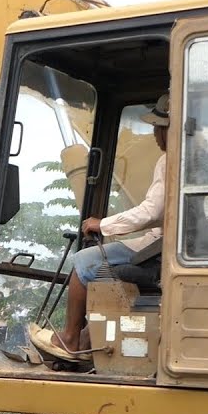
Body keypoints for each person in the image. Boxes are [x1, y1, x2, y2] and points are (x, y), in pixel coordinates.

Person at [31, 93, 170, 360]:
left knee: (83, 263)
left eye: (157, 126)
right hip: (166, 245)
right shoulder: (198, 159)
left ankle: (71, 339)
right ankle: (86, 338)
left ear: (169, 129)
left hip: (160, 248)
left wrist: (102, 224)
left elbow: (151, 212)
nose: (154, 133)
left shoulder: (171, 161)